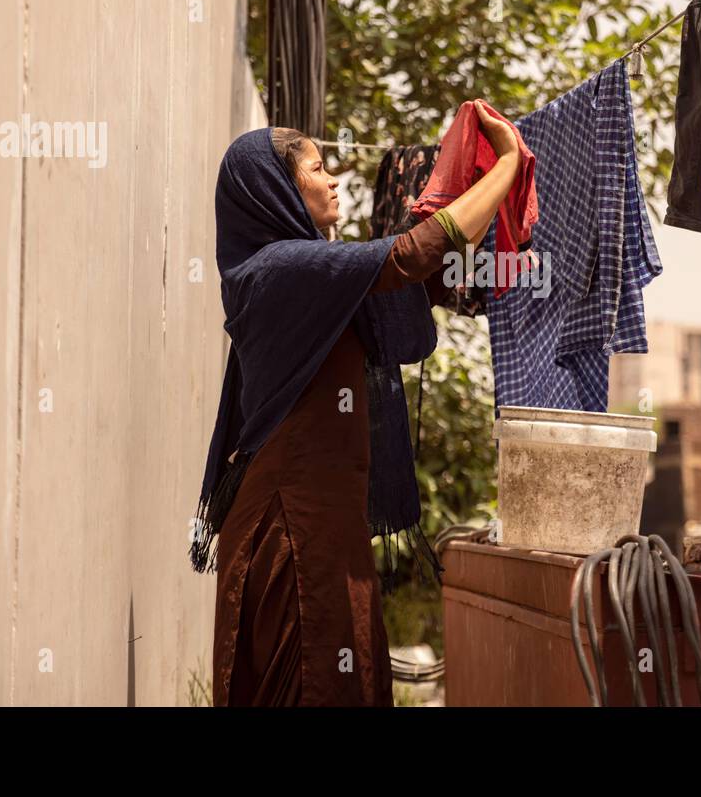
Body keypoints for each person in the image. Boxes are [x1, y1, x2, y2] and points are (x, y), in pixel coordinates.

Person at [198, 103, 524, 706]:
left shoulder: (311, 279)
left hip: (321, 519)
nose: (334, 181)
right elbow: (411, 255)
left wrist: (472, 188)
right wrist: (506, 165)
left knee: (342, 676)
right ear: (275, 190)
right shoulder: (282, 269)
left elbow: (424, 273)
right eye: (317, 169)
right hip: (294, 526)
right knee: (315, 683)